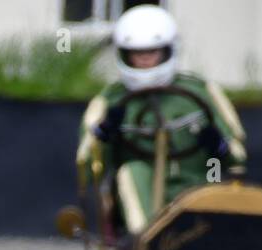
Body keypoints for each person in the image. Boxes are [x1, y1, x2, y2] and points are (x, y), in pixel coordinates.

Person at [76, 4, 247, 234]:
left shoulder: (201, 91)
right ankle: (147, 243)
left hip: (197, 180)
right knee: (131, 172)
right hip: (139, 190)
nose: (145, 60)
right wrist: (104, 136)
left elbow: (238, 158)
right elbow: (88, 171)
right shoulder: (109, 101)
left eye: (151, 52)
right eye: (137, 54)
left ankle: (202, 244)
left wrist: (220, 146)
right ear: (125, 55)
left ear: (167, 50)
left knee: (212, 174)